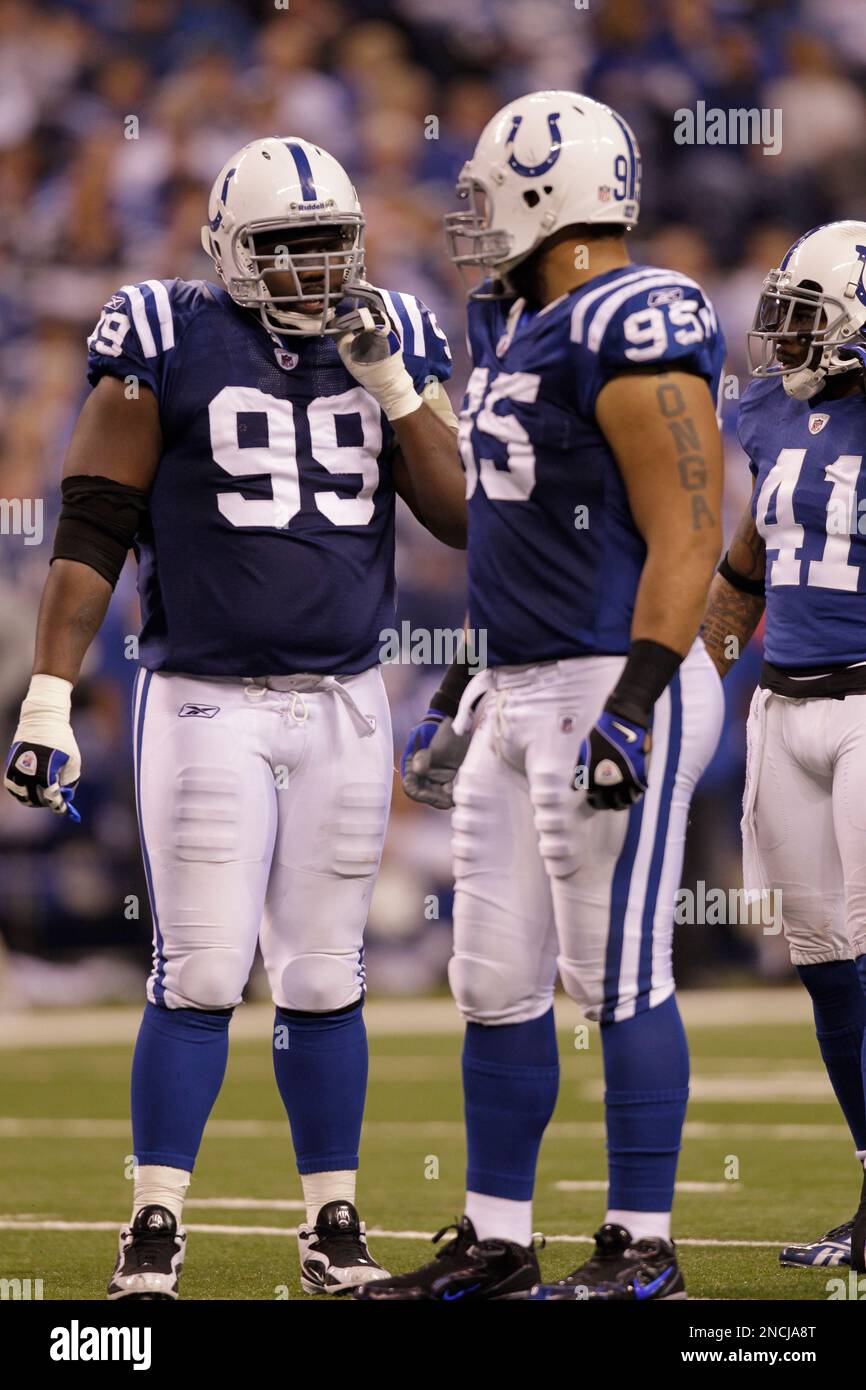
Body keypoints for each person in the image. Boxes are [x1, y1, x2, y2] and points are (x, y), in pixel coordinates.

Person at [4, 136, 465, 1299]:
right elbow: (95, 521)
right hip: (204, 696)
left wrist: (397, 392)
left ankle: (332, 1223)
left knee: (323, 974)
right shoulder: (163, 330)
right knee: (202, 968)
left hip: (345, 700)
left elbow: (460, 516)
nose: (314, 273)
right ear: (226, 249)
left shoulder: (396, 334)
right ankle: (153, 1223)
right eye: (284, 249)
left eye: (329, 248)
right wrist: (50, 695)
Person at [360, 90, 726, 1301]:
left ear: (544, 191)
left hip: (608, 678)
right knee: (491, 976)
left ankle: (639, 1243)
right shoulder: (520, 325)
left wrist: (637, 698)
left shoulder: (633, 317)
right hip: (519, 682)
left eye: (484, 194)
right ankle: (498, 1236)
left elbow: (687, 529)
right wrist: (464, 680)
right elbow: (503, 531)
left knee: (615, 972)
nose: (471, 219)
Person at [701, 220, 866, 1275]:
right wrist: (686, 678)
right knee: (822, 962)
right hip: (781, 703)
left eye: (807, 321)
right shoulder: (763, 412)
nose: (783, 341)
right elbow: (746, 564)